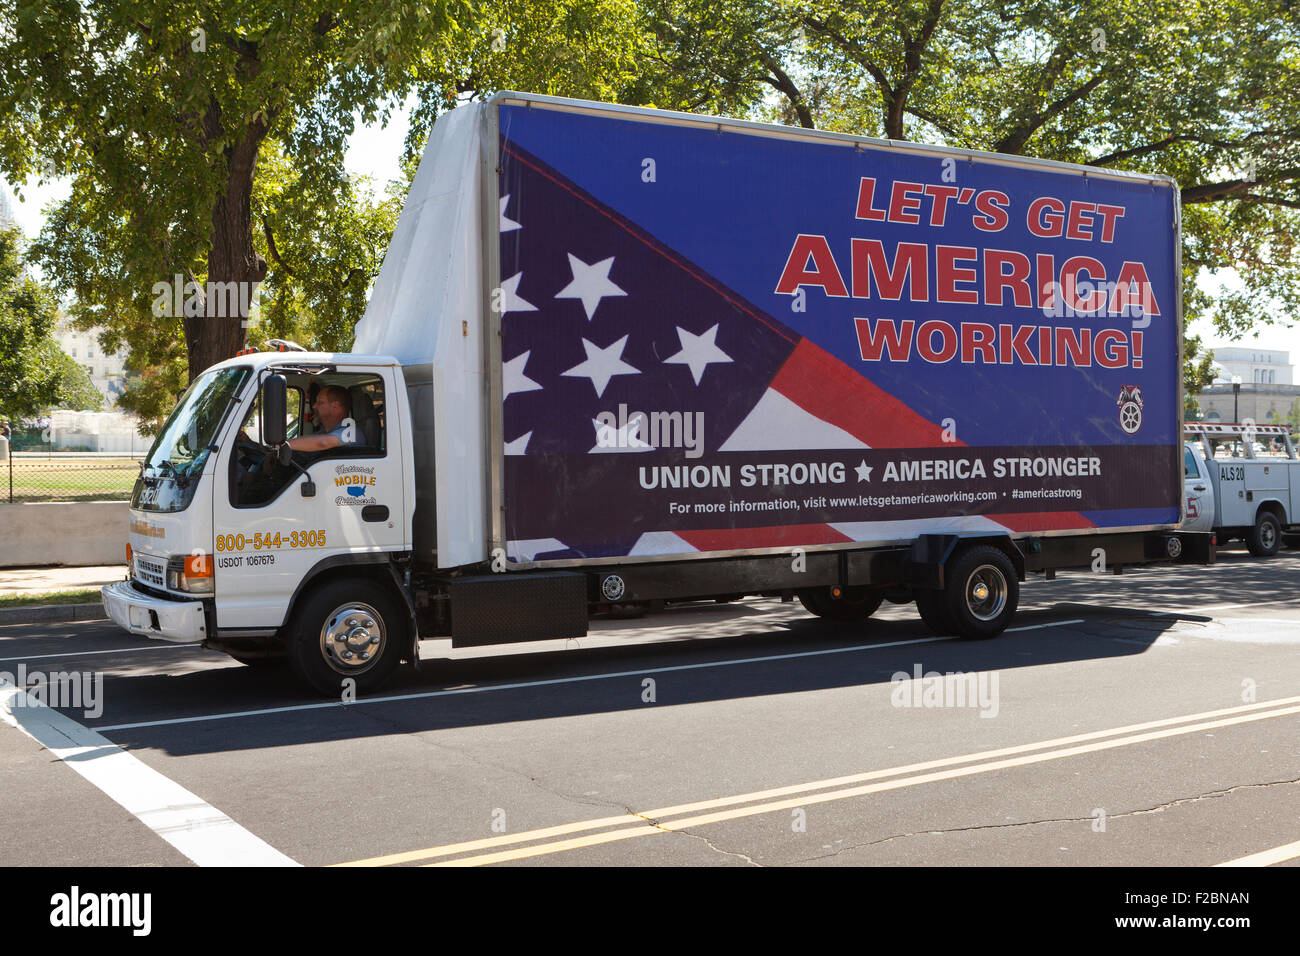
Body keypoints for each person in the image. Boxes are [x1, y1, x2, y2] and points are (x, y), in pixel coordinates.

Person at [288, 384, 359, 451]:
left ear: (335, 406)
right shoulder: (323, 433)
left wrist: (282, 446)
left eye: (320, 402)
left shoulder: (352, 433)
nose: (314, 406)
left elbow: (322, 443)